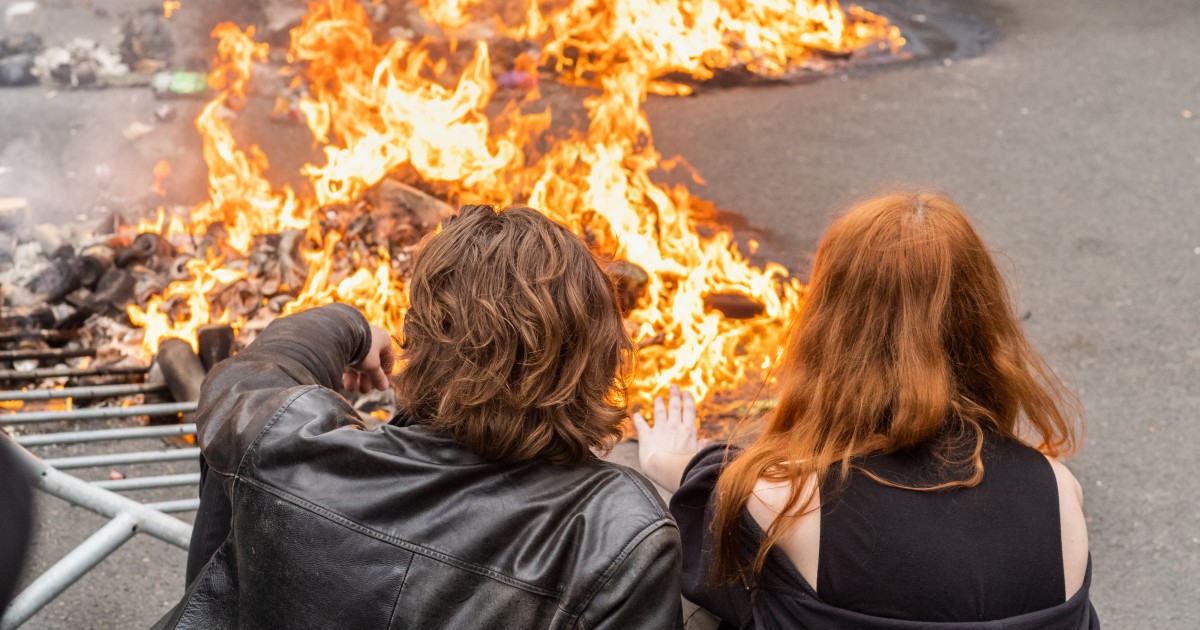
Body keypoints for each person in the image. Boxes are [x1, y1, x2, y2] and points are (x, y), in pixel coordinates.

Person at [154, 205, 683, 629]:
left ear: (421, 340)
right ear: (595, 356)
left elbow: (246, 377)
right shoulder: (619, 532)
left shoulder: (289, 446)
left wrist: (350, 326)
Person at [636, 192, 1099, 629]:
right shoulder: (1058, 491)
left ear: (831, 326)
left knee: (662, 548)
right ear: (984, 320)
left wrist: (665, 461)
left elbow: (719, 494)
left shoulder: (789, 499)